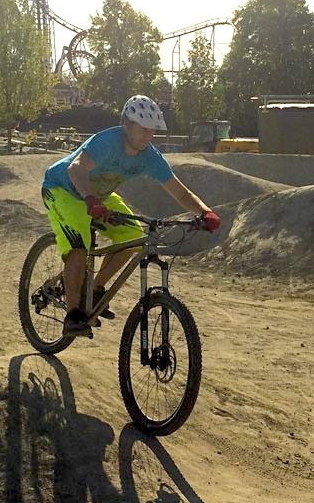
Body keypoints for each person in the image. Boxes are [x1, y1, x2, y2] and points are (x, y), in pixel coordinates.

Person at [41, 94, 221, 338]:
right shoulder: (106, 142)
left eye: (153, 131)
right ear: (126, 124)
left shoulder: (150, 156)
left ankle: (93, 289)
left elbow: (179, 192)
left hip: (98, 196)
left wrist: (205, 212)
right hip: (64, 188)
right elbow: (76, 168)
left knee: (134, 237)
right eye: (144, 129)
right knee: (79, 247)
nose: (149, 136)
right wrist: (90, 199)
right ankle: (73, 315)